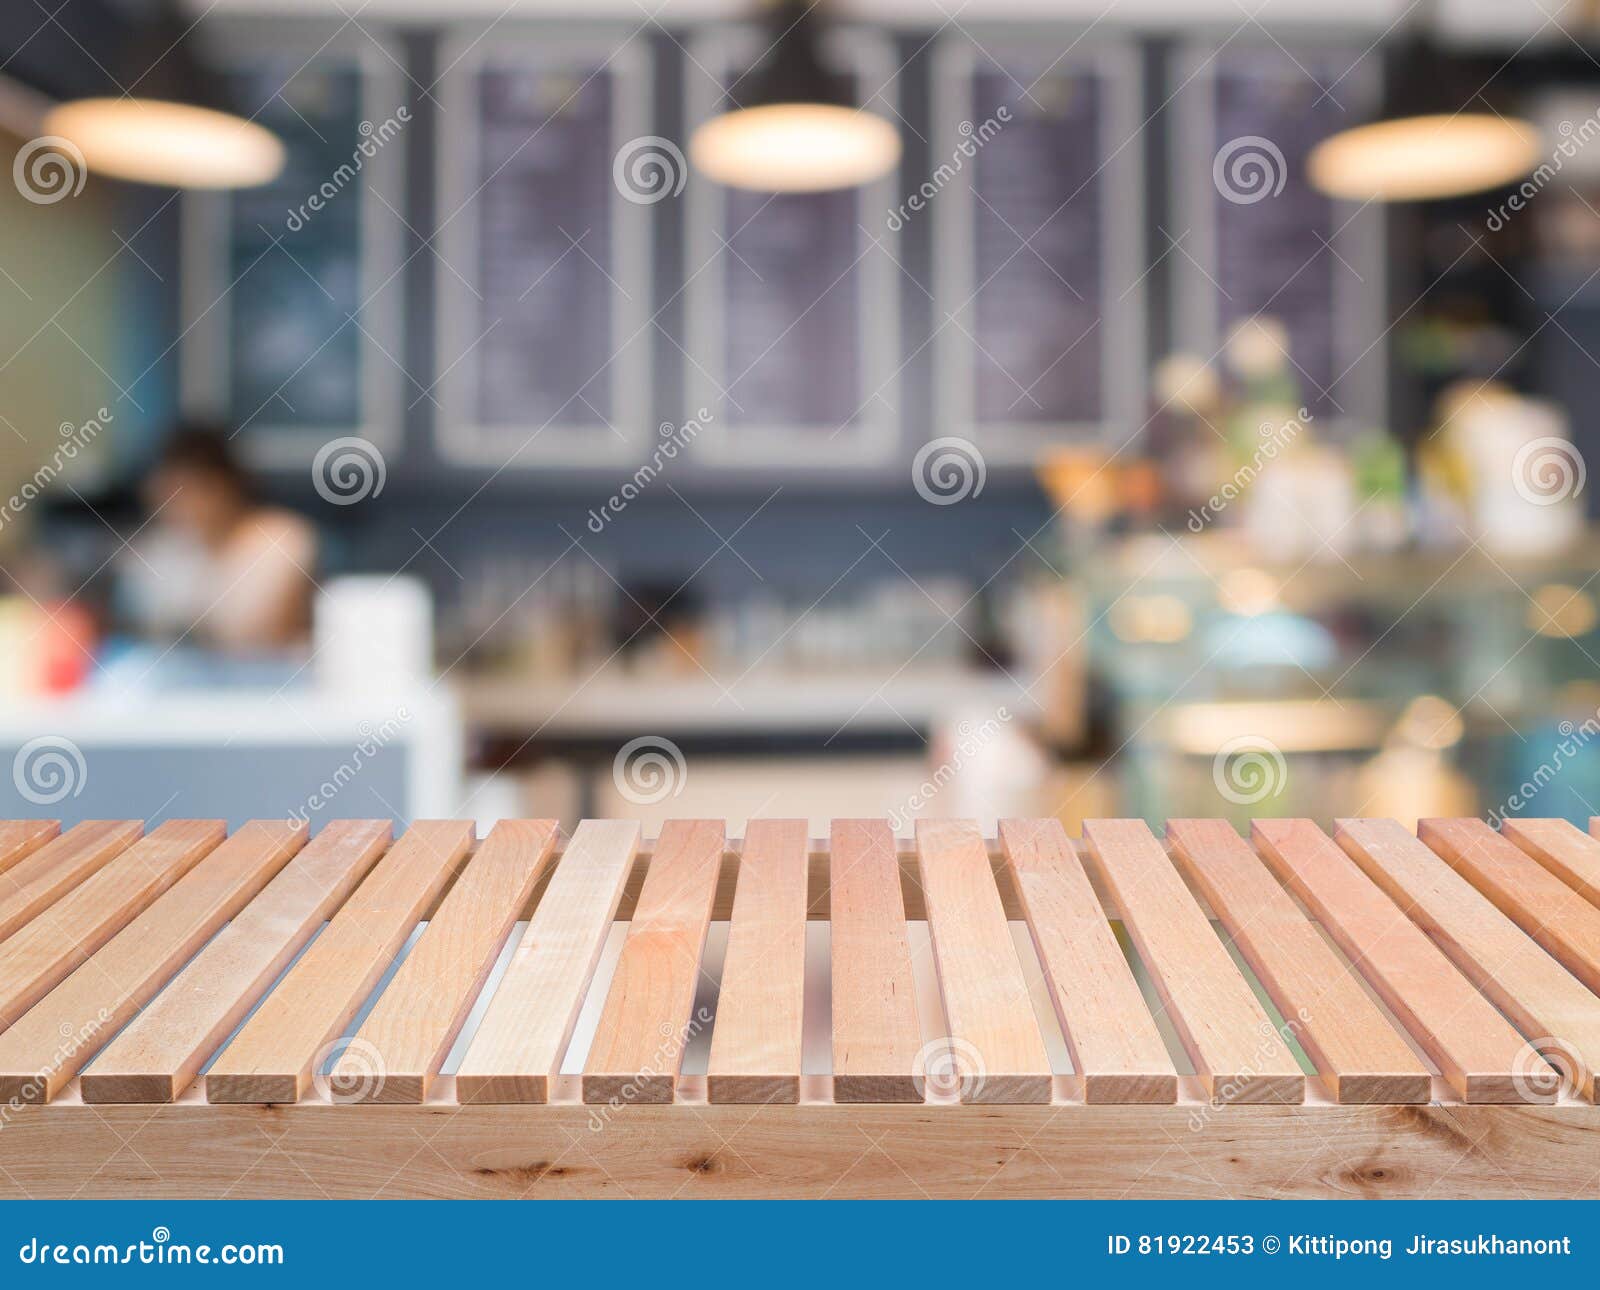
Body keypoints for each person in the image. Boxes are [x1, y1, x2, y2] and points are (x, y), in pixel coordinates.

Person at [121, 425, 317, 653]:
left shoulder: (282, 539)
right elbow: (145, 628)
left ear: (224, 485)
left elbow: (260, 636)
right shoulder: (168, 547)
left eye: (186, 489)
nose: (174, 504)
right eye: (166, 493)